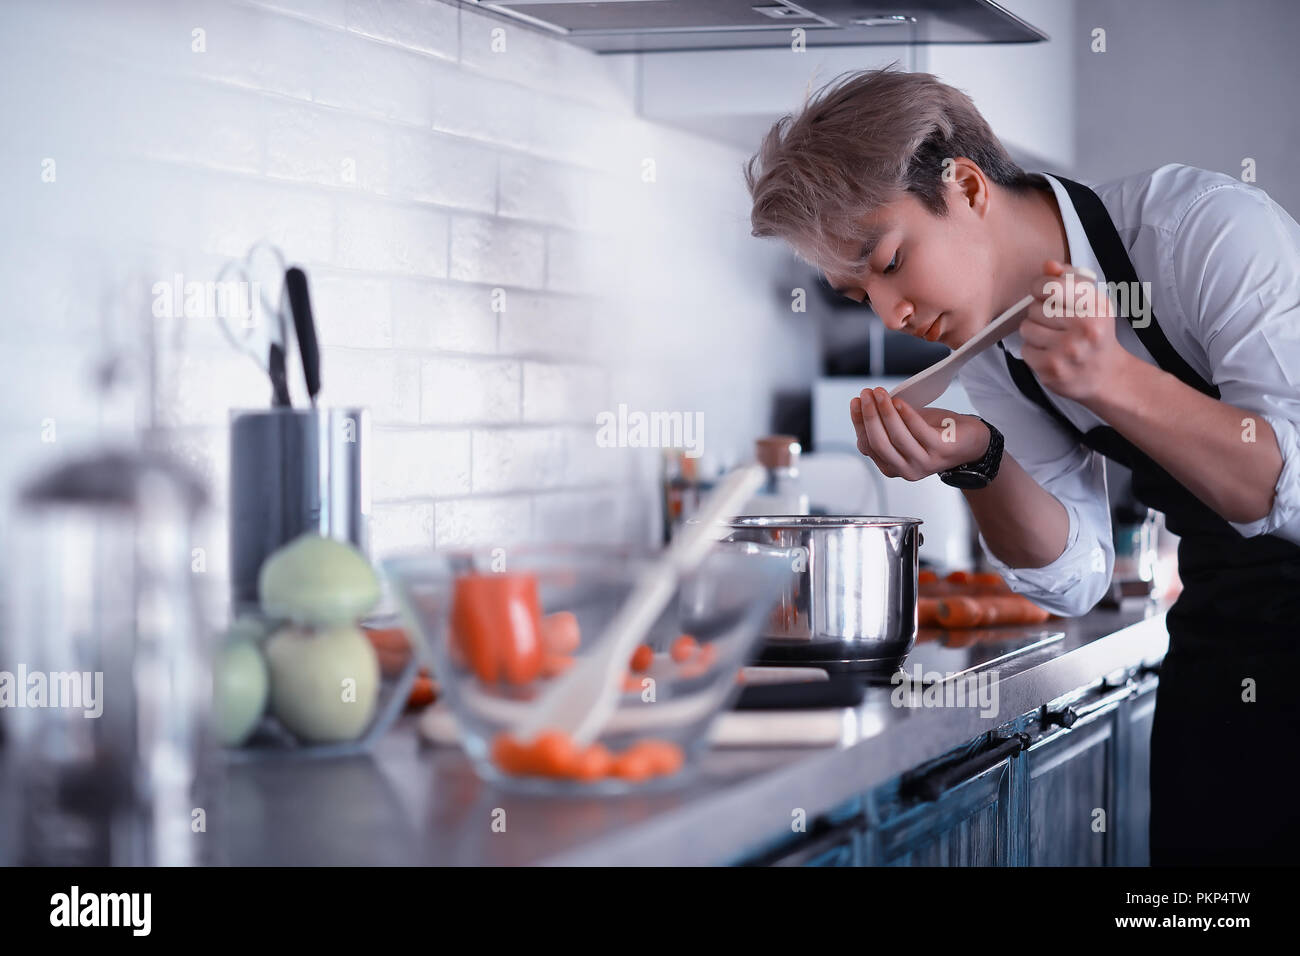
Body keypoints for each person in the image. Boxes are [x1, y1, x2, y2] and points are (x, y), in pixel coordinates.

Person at [744, 66, 1300, 866]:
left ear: (966, 187)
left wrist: (1113, 379)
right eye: (857, 293)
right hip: (1233, 630)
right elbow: (1077, 575)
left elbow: (1285, 483)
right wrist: (976, 458)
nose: (892, 313)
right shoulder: (994, 357)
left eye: (891, 260)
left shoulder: (1200, 233)